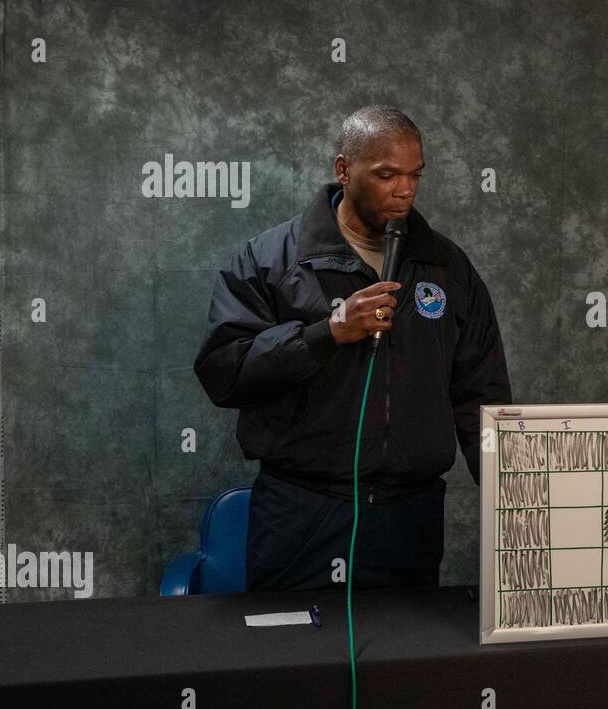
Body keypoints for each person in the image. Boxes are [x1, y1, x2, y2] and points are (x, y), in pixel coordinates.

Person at [194, 105, 512, 591]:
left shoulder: (446, 267)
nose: (404, 189)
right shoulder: (270, 259)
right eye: (387, 174)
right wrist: (328, 332)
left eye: (414, 175)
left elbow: (480, 393)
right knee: (295, 660)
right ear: (344, 170)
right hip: (302, 510)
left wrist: (509, 493)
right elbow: (224, 372)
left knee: (402, 662)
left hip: (410, 516)